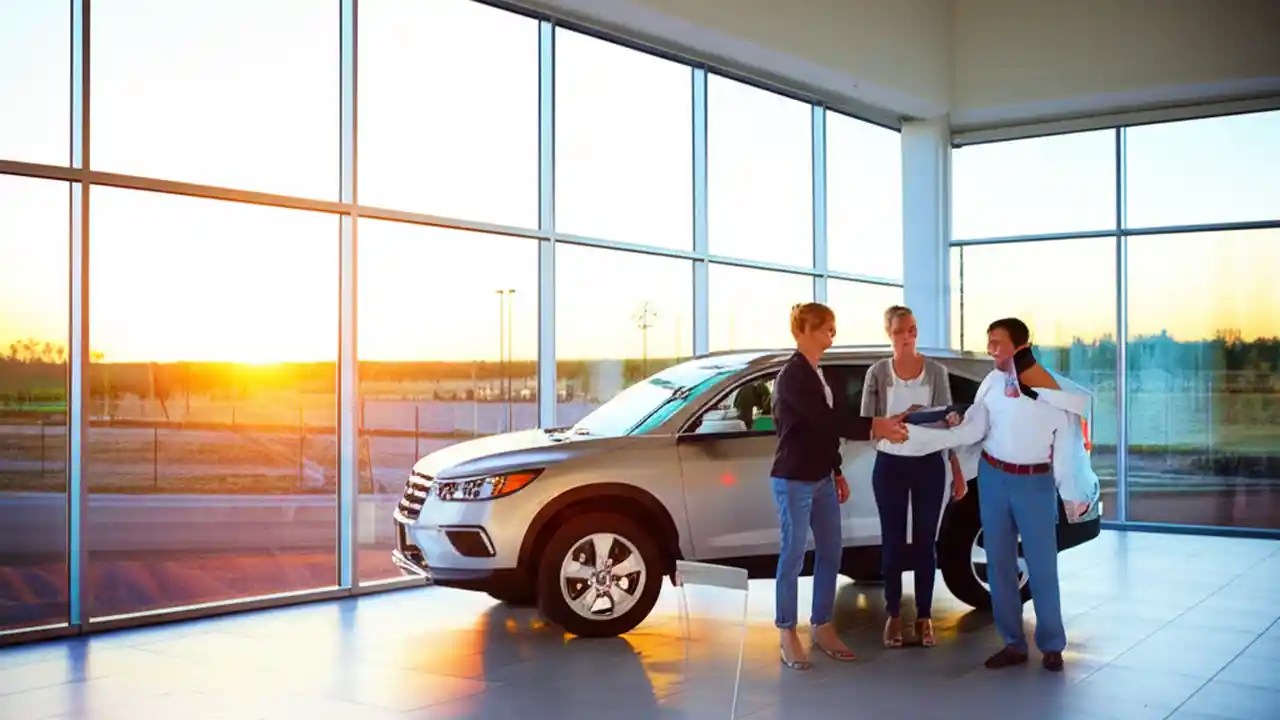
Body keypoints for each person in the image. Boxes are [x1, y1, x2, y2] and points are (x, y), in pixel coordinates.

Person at [771, 302, 909, 670]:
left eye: (832, 328)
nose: (830, 335)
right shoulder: (793, 375)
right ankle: (787, 630)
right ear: (802, 331)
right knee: (794, 554)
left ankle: (822, 624)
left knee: (831, 552)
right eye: (823, 328)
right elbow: (823, 420)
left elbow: (823, 433)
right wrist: (875, 426)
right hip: (793, 478)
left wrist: (837, 471)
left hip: (820, 478)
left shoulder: (817, 374)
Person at [860, 306, 967, 649]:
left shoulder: (936, 371)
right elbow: (867, 426)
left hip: (928, 464)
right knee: (892, 541)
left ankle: (924, 616)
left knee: (925, 542)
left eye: (912, 330)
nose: (907, 337)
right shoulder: (877, 372)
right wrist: (893, 423)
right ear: (888, 333)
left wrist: (956, 467)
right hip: (890, 465)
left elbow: (946, 423)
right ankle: (893, 614)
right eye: (900, 331)